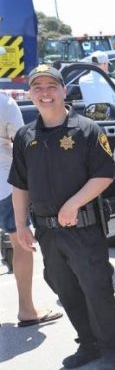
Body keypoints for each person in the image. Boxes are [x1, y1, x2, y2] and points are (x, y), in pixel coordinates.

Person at [9, 65, 115, 370]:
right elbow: (20, 184)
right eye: (38, 88)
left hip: (83, 227)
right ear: (30, 94)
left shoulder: (87, 129)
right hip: (47, 231)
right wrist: (21, 225)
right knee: (65, 287)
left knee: (96, 287)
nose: (45, 93)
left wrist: (74, 203)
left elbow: (104, 175)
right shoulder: (25, 136)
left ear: (63, 91)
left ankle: (111, 348)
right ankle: (88, 343)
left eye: (51, 86)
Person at [0, 93, 63, 328]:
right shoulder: (4, 102)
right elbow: (22, 142)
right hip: (3, 183)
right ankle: (26, 309)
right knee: (20, 244)